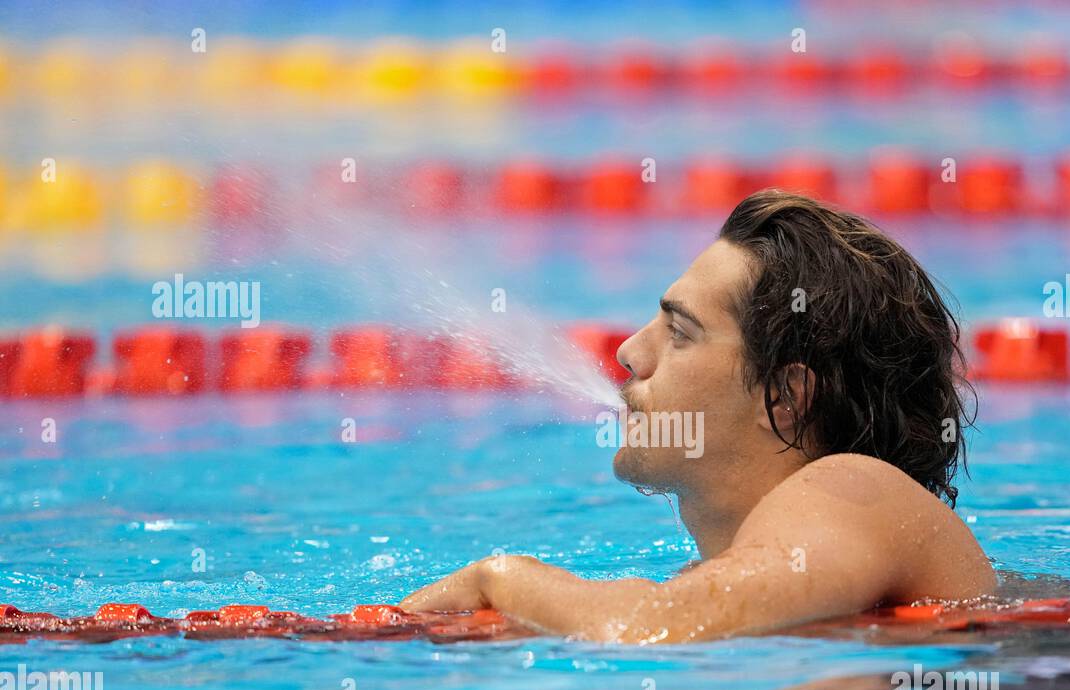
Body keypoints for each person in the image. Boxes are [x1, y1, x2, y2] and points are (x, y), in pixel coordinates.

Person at [400, 189, 996, 642]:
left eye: (680, 332)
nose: (629, 352)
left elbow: (651, 629)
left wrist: (499, 578)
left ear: (788, 399)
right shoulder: (736, 579)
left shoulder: (855, 487)